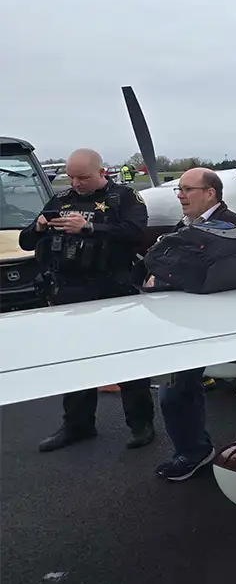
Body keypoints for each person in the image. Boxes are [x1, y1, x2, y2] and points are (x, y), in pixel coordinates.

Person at [19, 148, 157, 452]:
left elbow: (136, 232)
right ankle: (78, 425)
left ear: (101, 172)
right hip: (71, 292)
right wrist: (39, 226)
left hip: (114, 290)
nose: (76, 182)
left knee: (128, 360)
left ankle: (141, 424)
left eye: (83, 177)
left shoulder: (124, 198)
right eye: (71, 176)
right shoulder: (62, 200)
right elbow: (26, 241)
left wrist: (90, 227)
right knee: (75, 362)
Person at [151, 166, 236, 481]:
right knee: (181, 390)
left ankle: (194, 453)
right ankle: (193, 448)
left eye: (187, 189)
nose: (180, 195)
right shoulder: (192, 224)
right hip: (189, 316)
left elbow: (190, 267)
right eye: (179, 189)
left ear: (210, 193)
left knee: (174, 392)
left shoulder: (226, 226)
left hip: (206, 322)